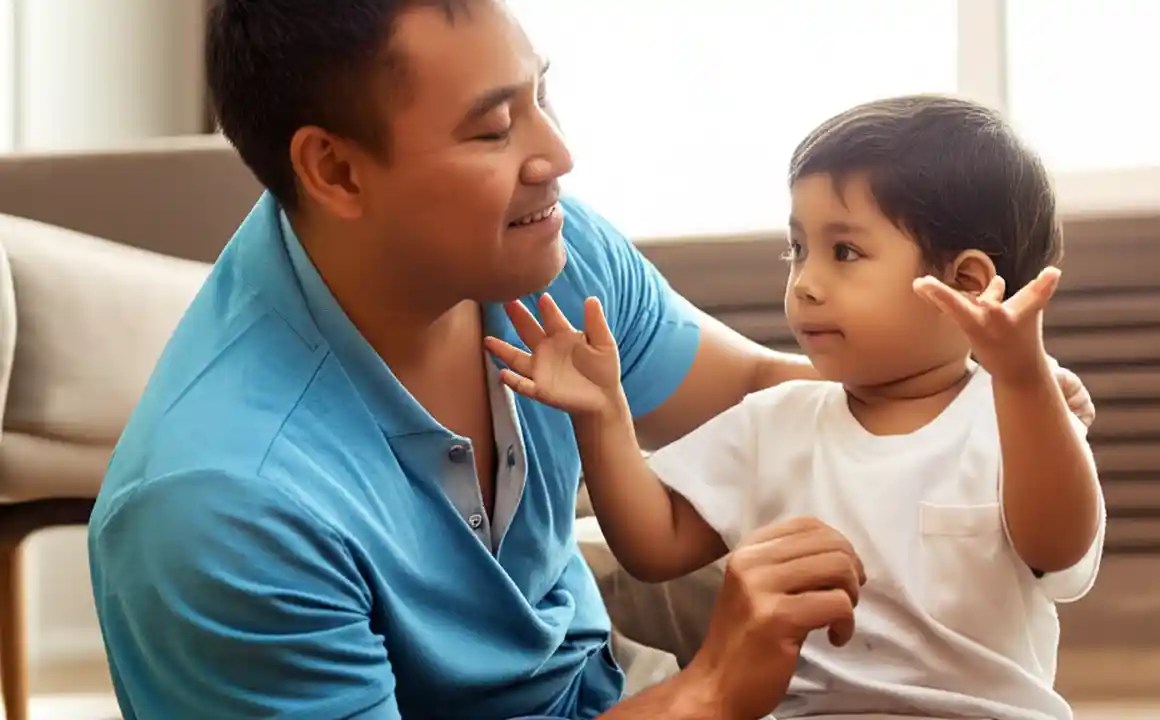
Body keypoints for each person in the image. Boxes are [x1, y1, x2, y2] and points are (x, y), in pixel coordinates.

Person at [87, 2, 1094, 718]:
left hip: (610, 681)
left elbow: (749, 390)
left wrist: (984, 402)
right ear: (335, 168)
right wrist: (704, 696)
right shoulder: (220, 510)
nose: (556, 153)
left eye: (539, 96)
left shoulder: (542, 252)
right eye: (493, 127)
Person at [489, 95, 1105, 720]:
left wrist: (1025, 384)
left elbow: (1057, 548)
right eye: (797, 249)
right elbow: (656, 545)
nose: (805, 282)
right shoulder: (777, 421)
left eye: (844, 252)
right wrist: (603, 416)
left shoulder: (1018, 419)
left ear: (965, 284)